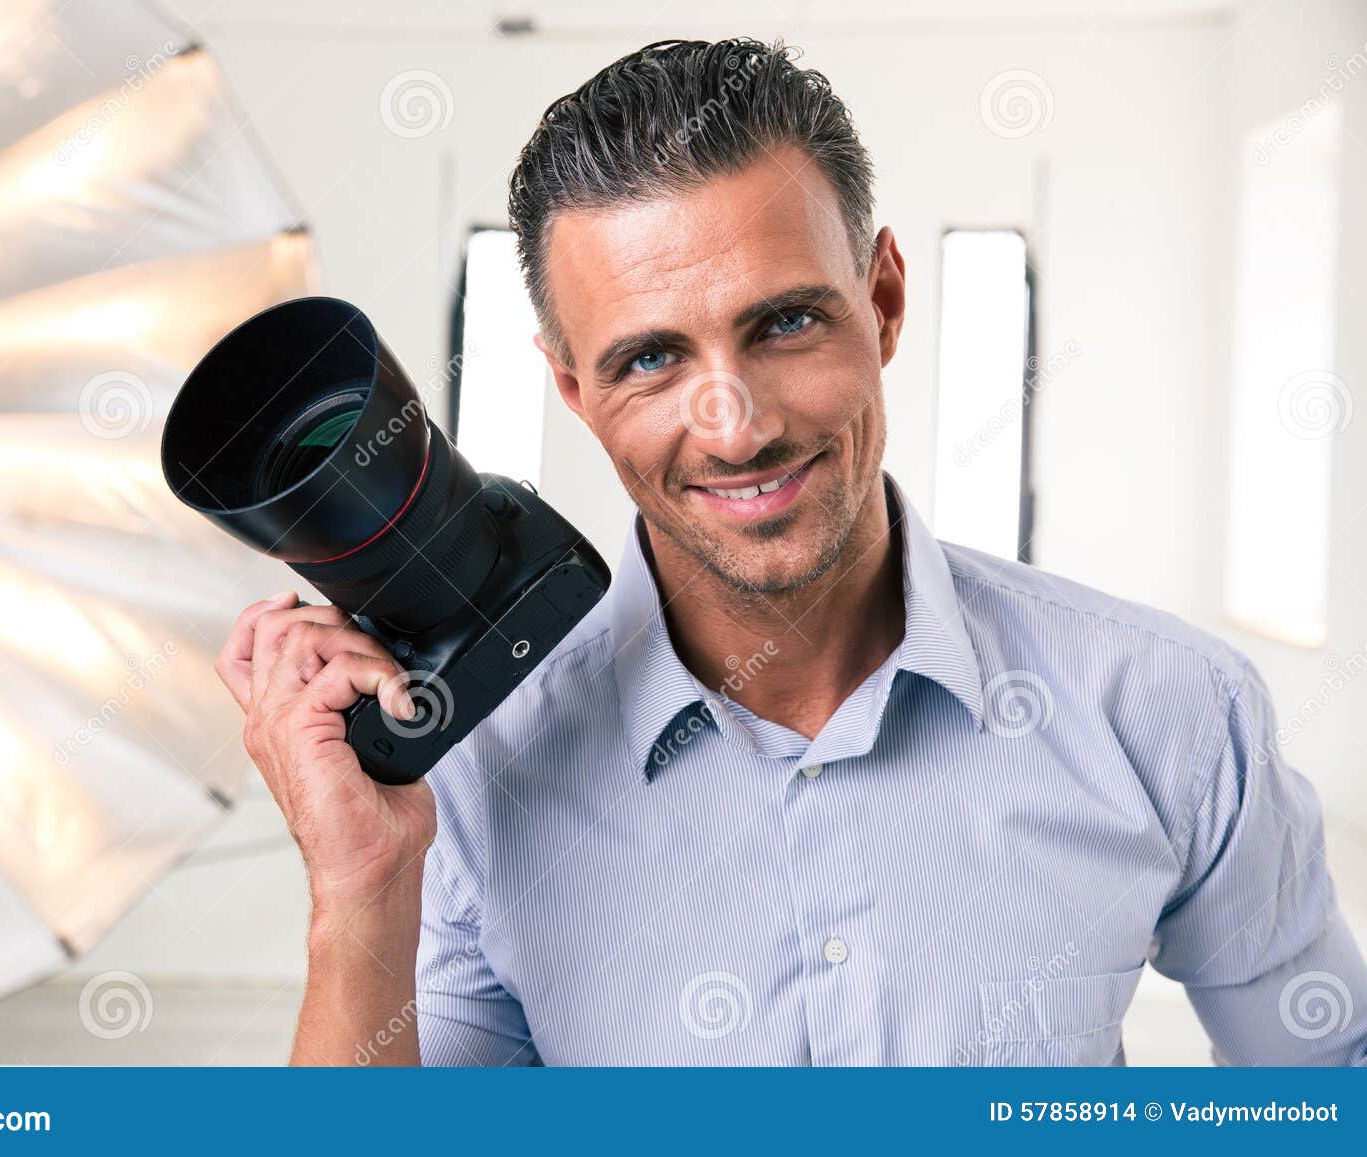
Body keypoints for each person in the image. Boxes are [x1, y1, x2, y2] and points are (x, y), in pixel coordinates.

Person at [217, 38, 1367, 1066]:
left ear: (884, 299)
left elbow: (1321, 1089)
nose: (736, 427)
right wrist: (359, 893)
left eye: (785, 323)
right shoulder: (482, 763)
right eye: (649, 359)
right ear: (572, 387)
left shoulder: (1166, 709)